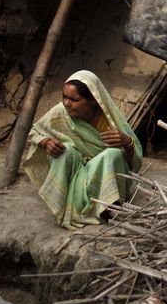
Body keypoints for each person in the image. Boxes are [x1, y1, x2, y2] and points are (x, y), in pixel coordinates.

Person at [22, 70, 142, 230]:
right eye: (64, 97)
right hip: (75, 171)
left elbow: (131, 163)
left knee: (112, 154)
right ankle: (64, 201)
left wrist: (128, 143)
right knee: (63, 151)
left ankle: (107, 204)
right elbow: (36, 132)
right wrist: (46, 142)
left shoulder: (109, 120)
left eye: (73, 99)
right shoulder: (61, 113)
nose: (66, 103)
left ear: (93, 100)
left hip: (104, 173)